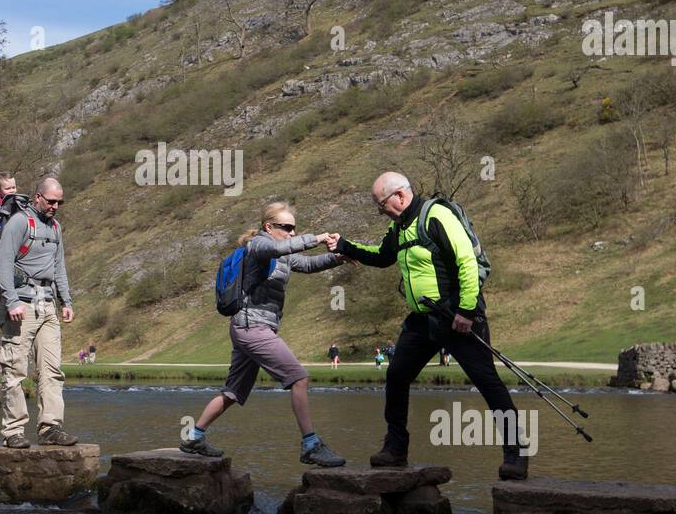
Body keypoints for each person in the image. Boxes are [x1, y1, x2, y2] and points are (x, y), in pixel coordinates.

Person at [329, 172, 527, 480]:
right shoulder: (397, 227)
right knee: (396, 376)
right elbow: (382, 257)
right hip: (422, 321)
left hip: (457, 317)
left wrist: (466, 310)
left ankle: (516, 455)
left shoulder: (437, 215)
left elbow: (466, 262)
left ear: (400, 196)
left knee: (487, 382)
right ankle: (395, 449)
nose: (379, 210)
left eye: (381, 204)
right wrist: (345, 245)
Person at [180, 201, 347, 467]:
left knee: (233, 391)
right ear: (268, 227)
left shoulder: (280, 254)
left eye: (295, 228)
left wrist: (339, 257)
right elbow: (283, 247)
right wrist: (316, 238)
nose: (292, 233)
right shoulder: (258, 246)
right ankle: (311, 445)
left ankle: (193, 437)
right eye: (287, 227)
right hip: (251, 328)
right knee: (299, 378)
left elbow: (307, 264)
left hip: (252, 327)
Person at [0, 177, 77, 447]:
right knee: (15, 370)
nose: (55, 206)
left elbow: (59, 267)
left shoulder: (56, 228)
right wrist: (11, 301)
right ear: (38, 197)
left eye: (60, 202)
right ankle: (13, 432)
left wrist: (66, 301)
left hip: (47, 306)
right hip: (21, 305)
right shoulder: (20, 222)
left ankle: (50, 428)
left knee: (52, 370)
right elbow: (3, 263)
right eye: (51, 201)